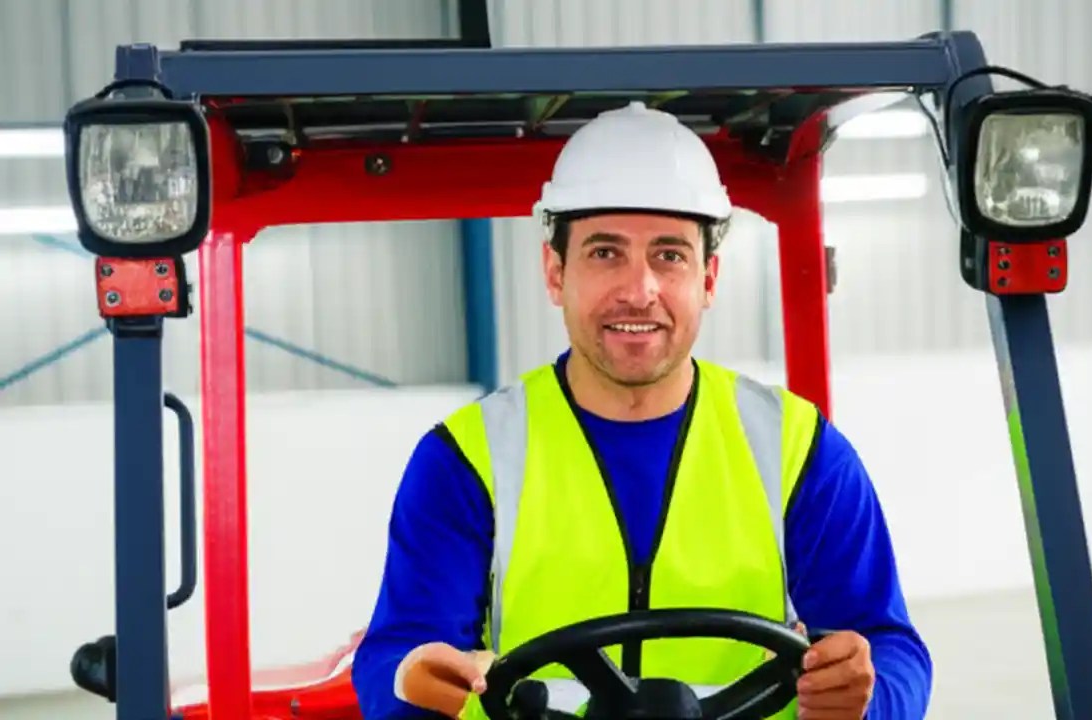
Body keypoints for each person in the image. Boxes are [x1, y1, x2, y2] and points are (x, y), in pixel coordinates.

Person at [351, 101, 932, 719]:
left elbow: (890, 646)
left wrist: (867, 699)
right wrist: (408, 681)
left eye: (669, 255)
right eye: (605, 253)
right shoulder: (466, 458)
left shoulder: (798, 450)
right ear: (555, 272)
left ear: (708, 278)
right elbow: (398, 653)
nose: (639, 289)